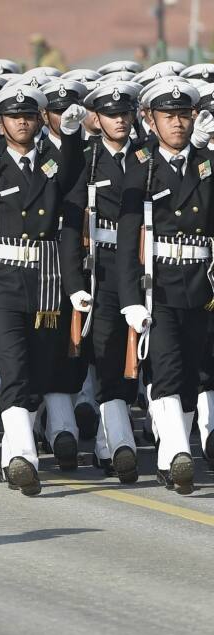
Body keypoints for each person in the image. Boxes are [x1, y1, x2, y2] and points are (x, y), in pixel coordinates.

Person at [0, 81, 88, 498]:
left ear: (38, 120)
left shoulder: (54, 160)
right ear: (5, 122)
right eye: (15, 117)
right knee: (12, 369)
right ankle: (25, 459)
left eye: (29, 116)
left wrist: (71, 136)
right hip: (3, 284)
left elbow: (72, 181)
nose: (21, 122)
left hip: (46, 283)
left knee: (36, 371)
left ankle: (12, 454)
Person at [116, 77, 210, 496]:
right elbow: (125, 245)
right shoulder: (141, 170)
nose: (178, 123)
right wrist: (130, 299)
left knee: (193, 374)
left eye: (184, 115)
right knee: (167, 369)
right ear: (151, 121)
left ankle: (170, 461)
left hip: (203, 286)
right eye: (169, 116)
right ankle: (176, 453)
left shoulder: (209, 166)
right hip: (162, 285)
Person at [59, 80, 143, 483]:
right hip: (103, 266)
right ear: (97, 118)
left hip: (147, 265)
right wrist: (75, 279)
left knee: (145, 359)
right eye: (112, 114)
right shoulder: (88, 160)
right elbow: (71, 225)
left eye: (126, 113)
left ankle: (113, 443)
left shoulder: (148, 158)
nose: (121, 120)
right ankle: (116, 444)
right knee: (110, 354)